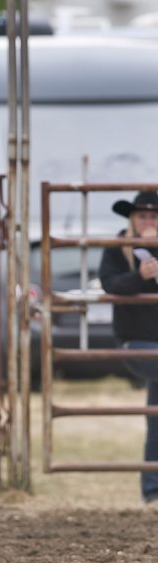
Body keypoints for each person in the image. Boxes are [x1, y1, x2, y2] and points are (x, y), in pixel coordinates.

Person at [99, 190, 158, 505]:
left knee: (156, 415)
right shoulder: (117, 248)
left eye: (153, 216)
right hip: (136, 340)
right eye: (143, 215)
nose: (148, 221)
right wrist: (139, 276)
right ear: (132, 219)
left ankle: (152, 490)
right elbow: (110, 283)